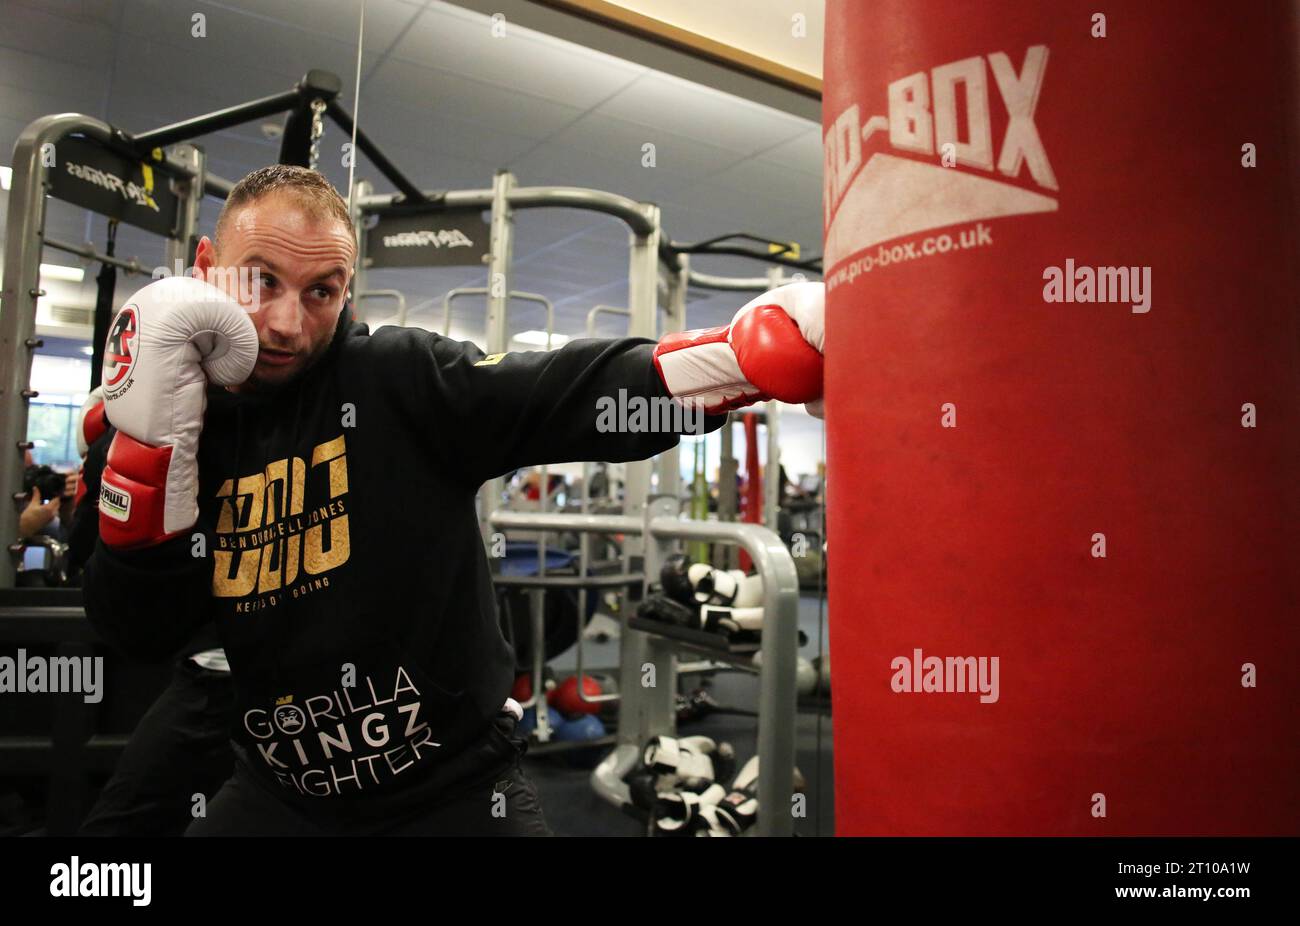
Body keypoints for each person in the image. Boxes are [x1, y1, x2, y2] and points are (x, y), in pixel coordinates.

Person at [81, 164, 825, 836]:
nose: (286, 324)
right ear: (207, 270)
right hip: (279, 789)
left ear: (347, 289)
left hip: (453, 788)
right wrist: (146, 475)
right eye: (261, 280)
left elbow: (558, 393)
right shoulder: (168, 419)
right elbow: (136, 633)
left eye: (321, 292)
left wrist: (732, 362)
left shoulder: (396, 380)